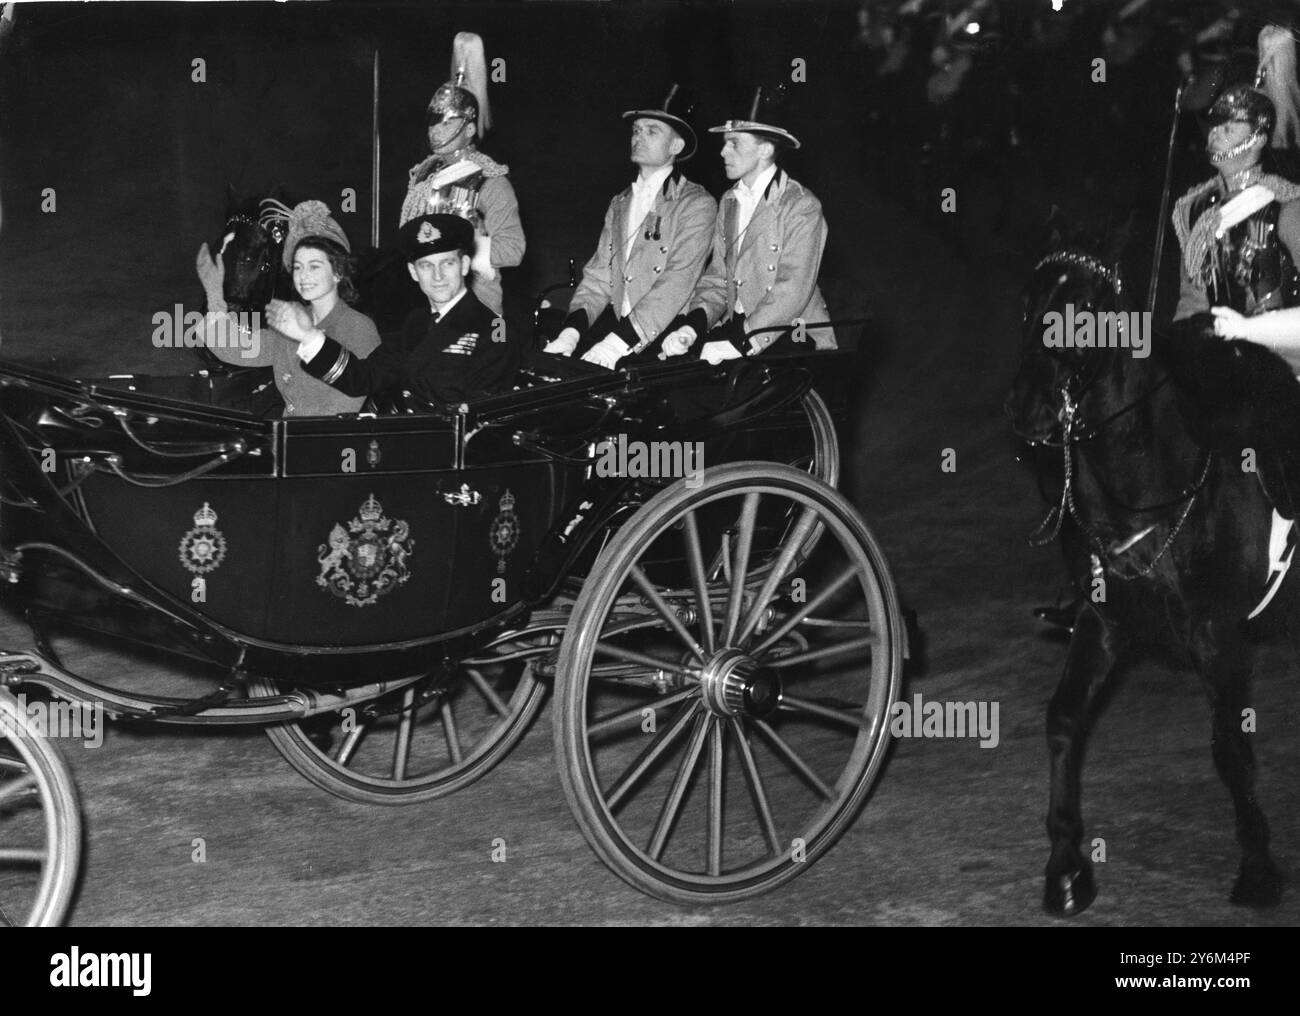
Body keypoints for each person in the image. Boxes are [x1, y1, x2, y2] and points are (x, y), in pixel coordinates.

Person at [542, 85, 716, 369]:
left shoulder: (696, 203)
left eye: (652, 131)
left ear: (676, 146)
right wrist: (570, 333)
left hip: (669, 338)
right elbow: (599, 276)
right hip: (620, 329)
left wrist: (614, 345)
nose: (638, 137)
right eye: (636, 130)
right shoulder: (620, 202)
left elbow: (675, 283)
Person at [660, 87, 836, 365]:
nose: (722, 152)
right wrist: (691, 328)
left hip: (792, 332)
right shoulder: (730, 201)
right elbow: (718, 279)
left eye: (734, 143)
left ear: (765, 149)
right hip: (739, 324)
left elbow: (792, 290)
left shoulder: (801, 206)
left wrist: (741, 341)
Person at [271, 213, 512, 406]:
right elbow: (361, 379)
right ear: (413, 272)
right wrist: (308, 336)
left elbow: (481, 422)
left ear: (465, 265)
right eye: (426, 266)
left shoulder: (490, 329)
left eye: (447, 263)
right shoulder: (416, 323)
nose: (437, 276)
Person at [195, 200, 380, 416]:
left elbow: (343, 407)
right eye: (298, 267)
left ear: (337, 272)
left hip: (324, 442)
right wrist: (215, 296)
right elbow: (237, 349)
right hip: (288, 437)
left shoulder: (358, 328)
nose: (304, 276)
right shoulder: (291, 321)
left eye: (314, 266)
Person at [399, 31, 524, 320]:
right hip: (426, 301)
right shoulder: (423, 175)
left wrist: (454, 252)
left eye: (447, 123)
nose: (436, 131)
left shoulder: (490, 180)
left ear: (468, 129)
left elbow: (513, 248)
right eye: (433, 122)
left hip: (477, 304)